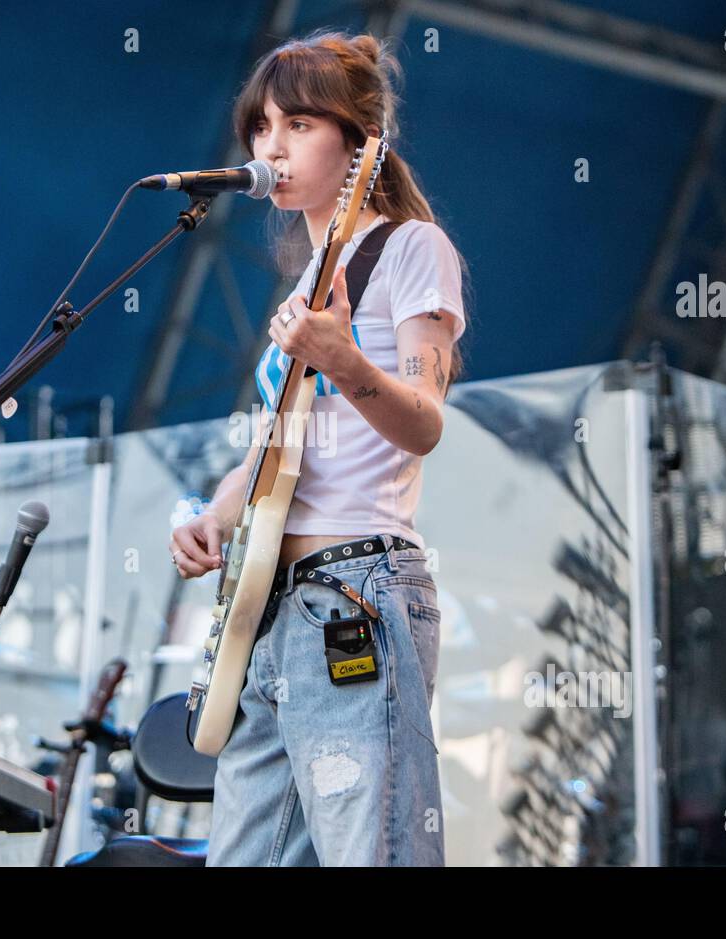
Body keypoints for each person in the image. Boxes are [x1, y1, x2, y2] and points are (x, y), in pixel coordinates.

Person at [169, 31, 469, 866]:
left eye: (299, 123)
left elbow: (423, 421)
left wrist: (341, 356)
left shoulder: (412, 250)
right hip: (268, 606)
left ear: (358, 139)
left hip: (357, 591)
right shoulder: (307, 284)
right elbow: (282, 443)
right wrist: (213, 516)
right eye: (261, 126)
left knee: (368, 847)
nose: (272, 146)